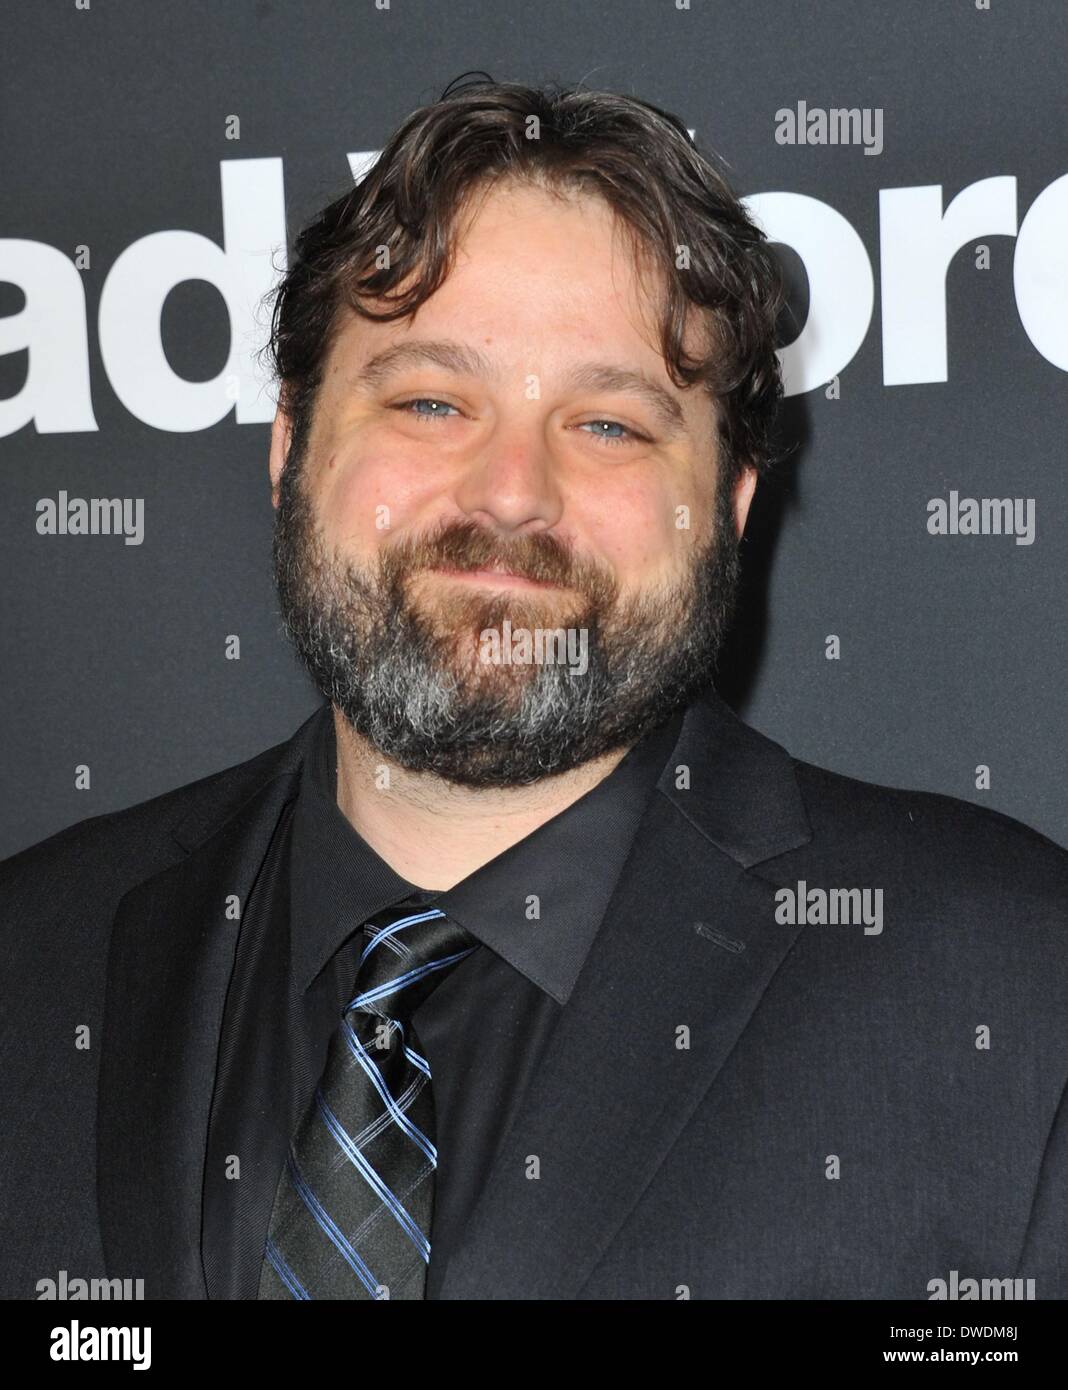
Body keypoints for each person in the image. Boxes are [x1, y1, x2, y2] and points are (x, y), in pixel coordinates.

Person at [2, 78, 1065, 1302]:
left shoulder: (1015, 992)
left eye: (609, 425)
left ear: (728, 504)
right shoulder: (31, 963)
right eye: (430, 401)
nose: (512, 493)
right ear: (291, 449)